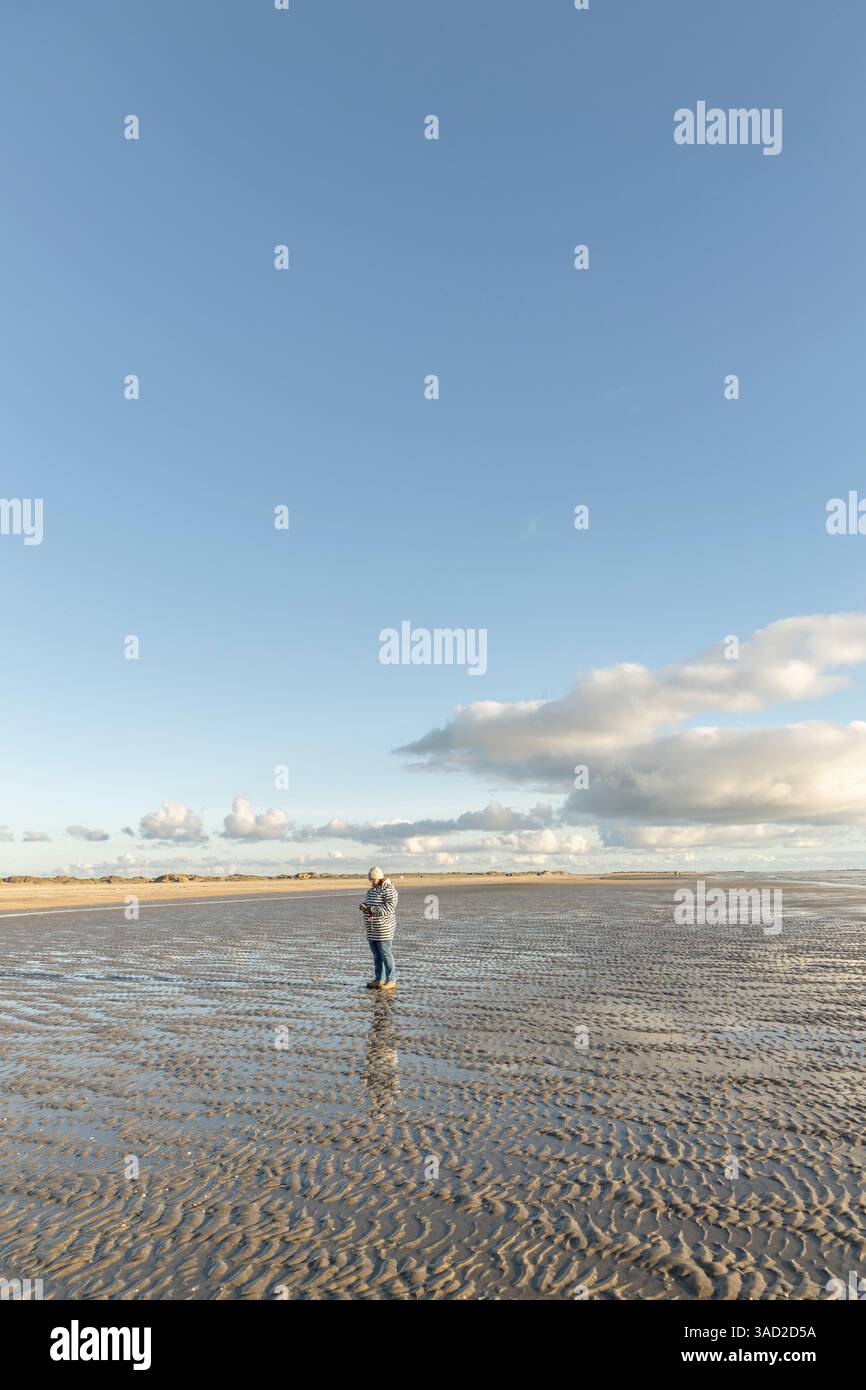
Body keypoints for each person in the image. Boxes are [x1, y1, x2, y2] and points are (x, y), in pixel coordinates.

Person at [360, 866, 398, 990]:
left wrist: (370, 909)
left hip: (384, 928)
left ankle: (391, 979)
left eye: (374, 879)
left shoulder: (389, 890)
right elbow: (370, 904)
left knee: (386, 954)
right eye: (371, 879)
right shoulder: (372, 890)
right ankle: (378, 979)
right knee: (376, 955)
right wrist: (364, 906)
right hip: (371, 929)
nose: (372, 881)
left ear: (380, 877)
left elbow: (390, 908)